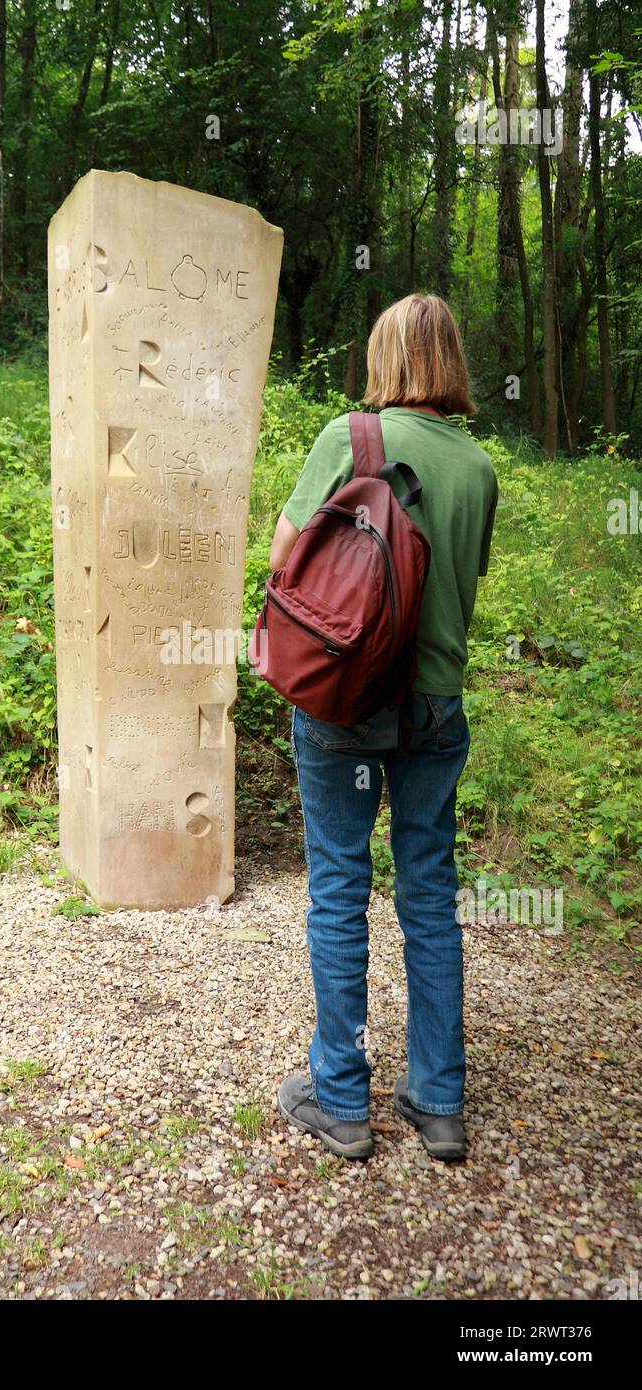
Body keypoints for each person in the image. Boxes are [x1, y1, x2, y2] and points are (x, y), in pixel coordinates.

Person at [271, 293, 499, 1162]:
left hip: (347, 705)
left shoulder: (352, 438)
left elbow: (282, 555)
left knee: (338, 889)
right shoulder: (478, 466)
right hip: (438, 706)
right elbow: (462, 590)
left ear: (387, 357)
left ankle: (341, 1101)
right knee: (430, 895)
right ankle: (439, 1101)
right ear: (451, 362)